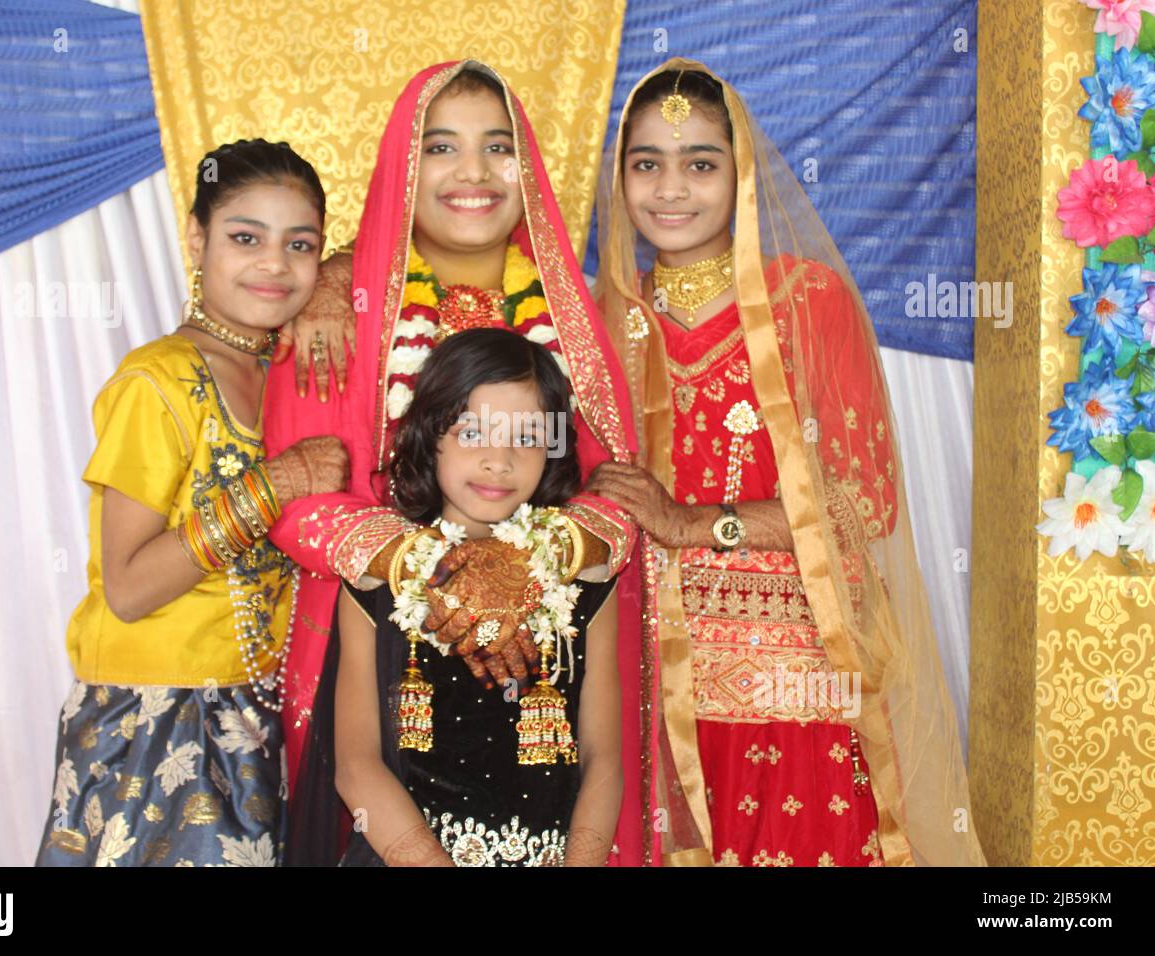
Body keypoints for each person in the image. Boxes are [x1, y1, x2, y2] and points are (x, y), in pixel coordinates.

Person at [589, 59, 986, 866]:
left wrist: (692, 522)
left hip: (794, 679)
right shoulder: (604, 318)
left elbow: (865, 503)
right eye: (646, 164)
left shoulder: (807, 302)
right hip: (646, 673)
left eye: (699, 163)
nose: (671, 188)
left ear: (739, 177)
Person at [262, 61, 657, 864]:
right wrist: (433, 567)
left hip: (554, 637)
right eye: (441, 147)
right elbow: (298, 503)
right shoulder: (336, 312)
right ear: (405, 166)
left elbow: (617, 483)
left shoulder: (573, 314)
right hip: (378, 633)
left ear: (531, 169)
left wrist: (538, 560)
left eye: (497, 148)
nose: (473, 173)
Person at [35, 139, 349, 866]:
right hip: (155, 719)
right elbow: (131, 587)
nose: (274, 264)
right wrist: (273, 486)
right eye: (245, 238)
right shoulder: (158, 381)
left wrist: (332, 281)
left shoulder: (291, 370)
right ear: (196, 238)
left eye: (299, 245)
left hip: (262, 714)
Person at [296, 329, 621, 866]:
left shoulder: (586, 577)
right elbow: (357, 766)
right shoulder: (381, 578)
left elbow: (603, 757)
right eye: (472, 432)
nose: (499, 461)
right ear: (430, 436)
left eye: (526, 436)